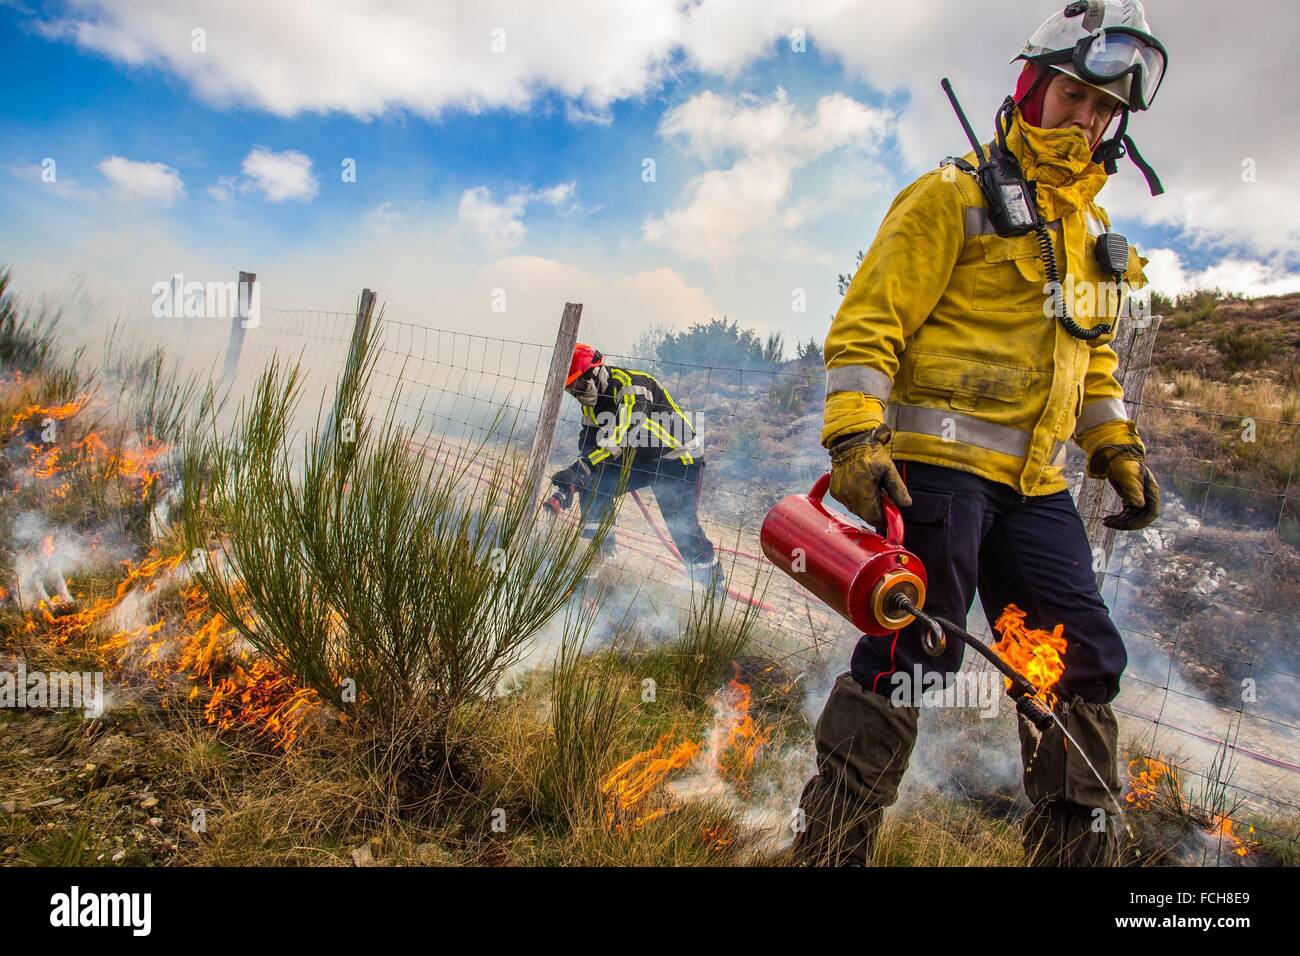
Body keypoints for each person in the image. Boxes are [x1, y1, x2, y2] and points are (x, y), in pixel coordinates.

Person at [795, 0, 1167, 866]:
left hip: (1036, 491)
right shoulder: (949, 195)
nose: (1090, 121)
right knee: (910, 652)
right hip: (934, 476)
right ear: (1031, 87)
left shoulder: (1092, 235)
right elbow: (867, 324)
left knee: (1082, 665)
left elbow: (1094, 362)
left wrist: (1116, 449)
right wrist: (855, 437)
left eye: (1107, 111)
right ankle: (830, 851)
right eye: (1077, 97)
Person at [548, 343, 725, 593]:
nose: (576, 393)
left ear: (595, 372)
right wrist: (572, 480)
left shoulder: (633, 388)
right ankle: (604, 554)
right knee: (593, 484)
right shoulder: (590, 403)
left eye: (578, 385)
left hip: (678, 459)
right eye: (570, 390)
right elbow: (588, 442)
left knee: (681, 526)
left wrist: (583, 467)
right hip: (642, 459)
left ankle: (712, 588)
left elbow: (624, 434)